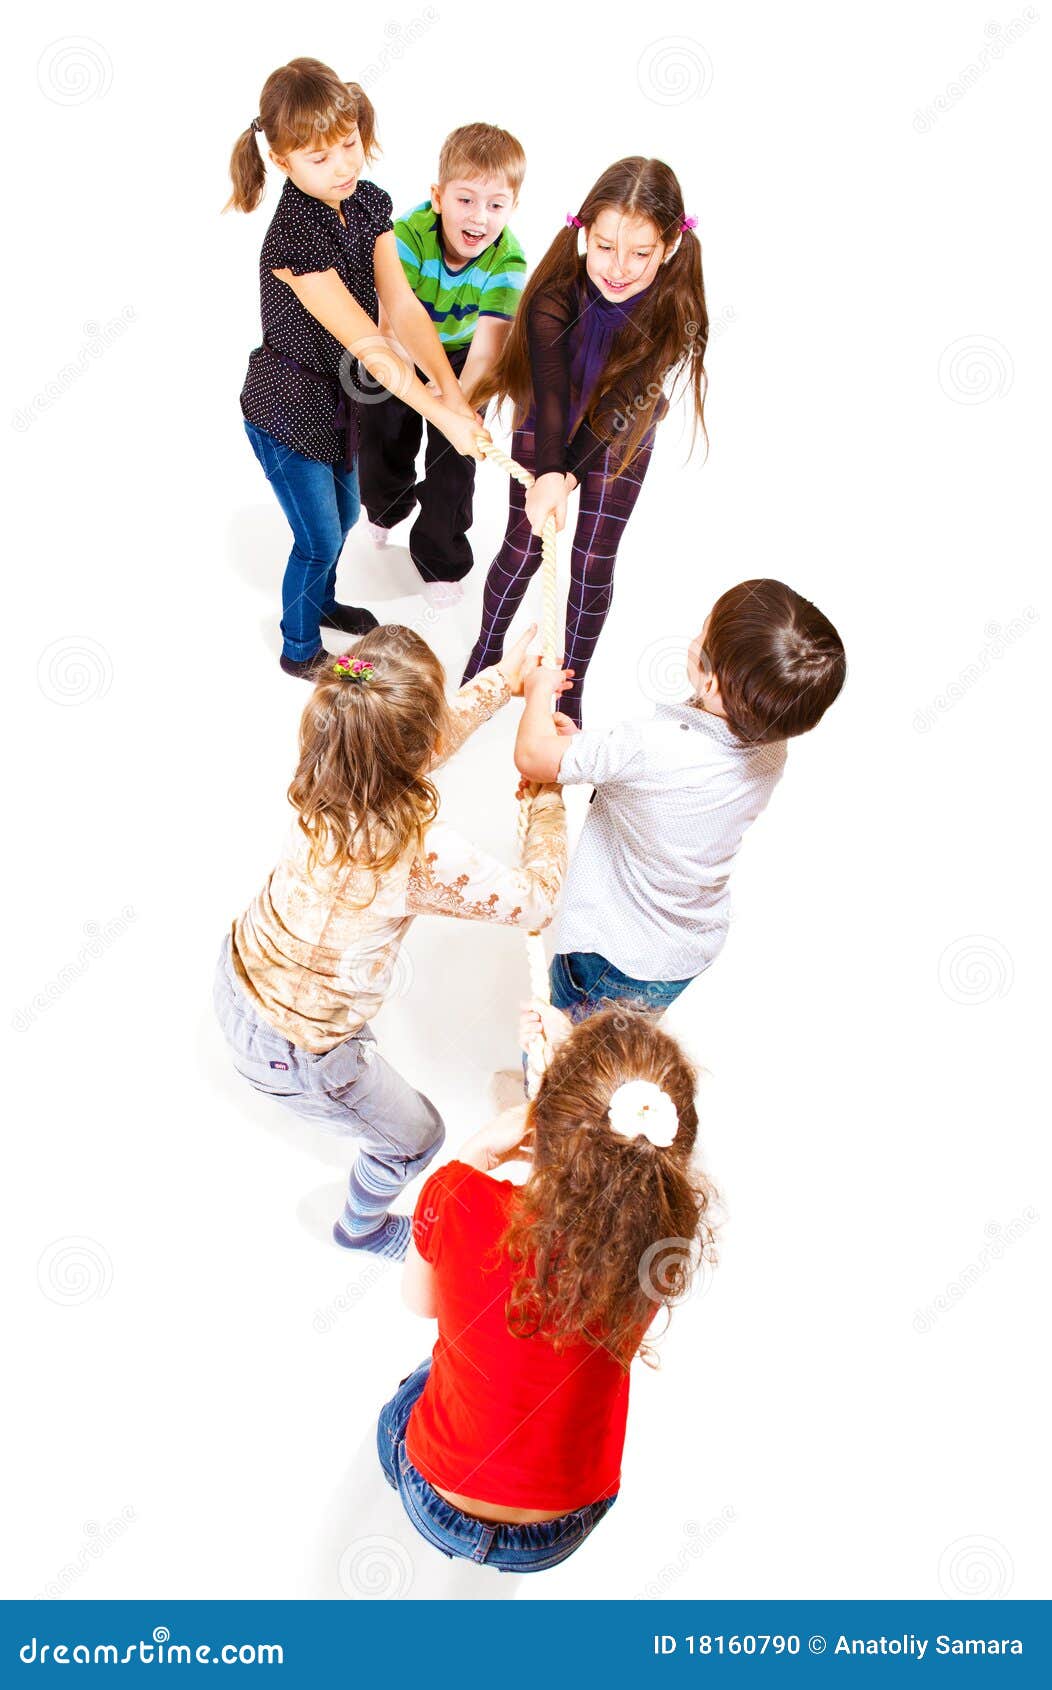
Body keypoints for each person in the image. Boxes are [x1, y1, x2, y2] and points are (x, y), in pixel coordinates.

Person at [213, 623, 569, 1258]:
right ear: (418, 740)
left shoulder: (329, 751)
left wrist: (502, 683)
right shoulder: (417, 851)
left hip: (237, 974)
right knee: (417, 1139)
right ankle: (362, 1228)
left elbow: (410, 741)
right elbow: (537, 900)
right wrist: (547, 794)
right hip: (297, 1049)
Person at [377, 1003, 718, 1571]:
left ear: (537, 1126)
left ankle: (404, 1475)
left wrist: (471, 1156)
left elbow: (419, 1303)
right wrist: (574, 1067)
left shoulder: (457, 1195)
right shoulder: (661, 1240)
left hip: (436, 1499)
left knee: (415, 1391)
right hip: (561, 1529)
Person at [226, 58, 486, 678]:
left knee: (343, 518)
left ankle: (322, 603)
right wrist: (441, 418)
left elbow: (402, 307)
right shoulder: (294, 238)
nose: (343, 165)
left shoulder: (368, 202)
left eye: (349, 144)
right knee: (317, 537)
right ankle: (298, 648)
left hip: (338, 406)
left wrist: (452, 395)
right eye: (320, 158)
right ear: (282, 161)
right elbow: (371, 344)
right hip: (285, 412)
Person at [514, 579, 847, 1020]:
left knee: (561, 1038)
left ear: (710, 681)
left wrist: (538, 690)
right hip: (684, 950)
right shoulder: (771, 748)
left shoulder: (649, 747)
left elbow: (532, 757)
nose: (694, 637)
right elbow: (663, 789)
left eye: (702, 633)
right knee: (620, 1043)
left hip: (611, 954)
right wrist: (588, 754)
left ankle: (549, 1066)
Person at [461, 156, 708, 725]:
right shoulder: (555, 293)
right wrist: (551, 473)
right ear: (585, 233)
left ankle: (569, 689)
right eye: (605, 246)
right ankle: (485, 652)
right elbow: (549, 393)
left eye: (640, 253)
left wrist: (567, 476)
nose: (619, 268)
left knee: (594, 561)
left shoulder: (676, 308)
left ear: (669, 246)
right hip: (551, 417)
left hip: (622, 428)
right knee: (524, 544)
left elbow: (626, 403)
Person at [358, 123, 527, 607]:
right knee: (382, 429)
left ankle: (440, 556)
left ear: (513, 207)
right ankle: (386, 504)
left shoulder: (509, 261)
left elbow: (487, 352)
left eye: (496, 205)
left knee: (457, 453)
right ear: (438, 197)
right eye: (465, 200)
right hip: (400, 347)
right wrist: (424, 394)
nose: (479, 217)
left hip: (464, 357)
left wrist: (456, 405)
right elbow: (392, 325)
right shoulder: (407, 235)